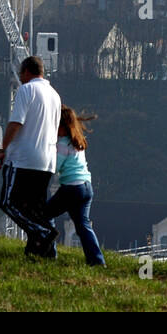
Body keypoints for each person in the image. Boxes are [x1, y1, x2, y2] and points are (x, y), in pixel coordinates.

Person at [0, 55, 61, 258]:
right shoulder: (55, 95)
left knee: (9, 202)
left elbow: (16, 123)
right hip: (47, 161)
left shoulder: (26, 90)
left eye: (21, 75)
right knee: (35, 208)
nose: (21, 79)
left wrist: (2, 149)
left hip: (23, 158)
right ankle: (41, 251)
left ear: (26, 72)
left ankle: (43, 233)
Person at [43, 106, 106, 267]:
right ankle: (97, 261)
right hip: (86, 187)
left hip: (71, 188)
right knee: (83, 225)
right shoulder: (78, 141)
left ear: (63, 127)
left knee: (44, 216)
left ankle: (49, 251)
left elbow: (54, 167)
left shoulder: (62, 145)